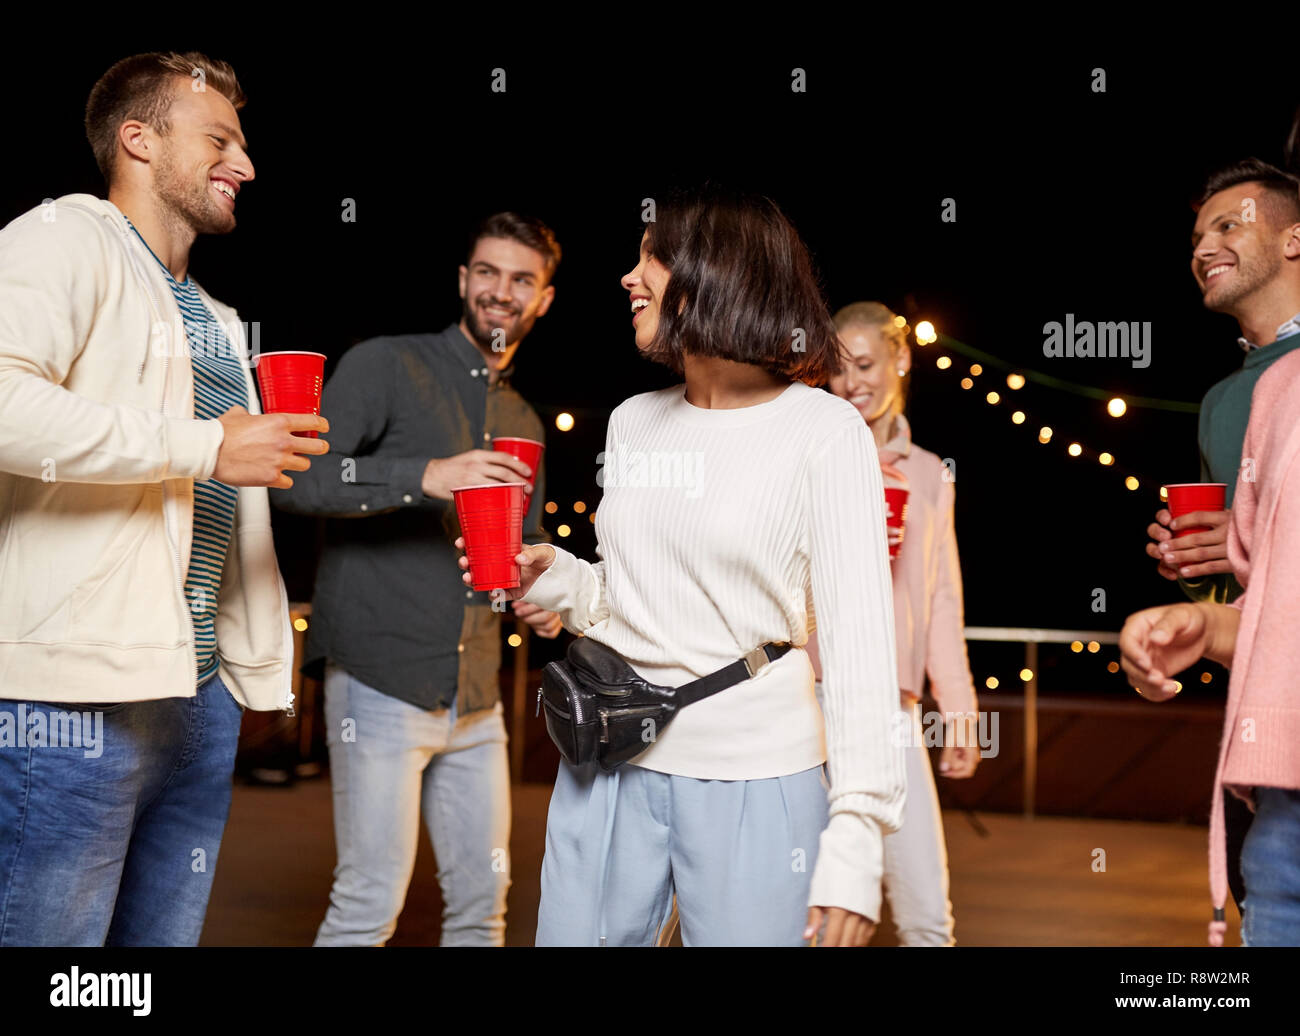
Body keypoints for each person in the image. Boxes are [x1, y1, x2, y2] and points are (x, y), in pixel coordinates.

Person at [461, 187, 907, 946]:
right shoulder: (636, 422)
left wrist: (857, 837)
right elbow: (631, 597)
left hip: (758, 780)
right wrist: (563, 579)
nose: (629, 279)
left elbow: (861, 642)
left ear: (712, 274)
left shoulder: (824, 432)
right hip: (607, 764)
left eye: (650, 262)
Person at [0, 51, 328, 946]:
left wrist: (255, 656)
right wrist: (206, 444)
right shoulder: (64, 235)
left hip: (195, 691)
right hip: (77, 695)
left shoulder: (218, 318)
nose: (248, 165)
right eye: (221, 140)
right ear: (138, 141)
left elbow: (215, 509)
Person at [275, 213, 563, 946]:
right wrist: (426, 475)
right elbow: (296, 481)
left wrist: (544, 600)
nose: (502, 291)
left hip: (475, 698)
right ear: (464, 281)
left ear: (543, 299)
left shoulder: (521, 417)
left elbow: (520, 552)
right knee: (369, 901)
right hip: (380, 680)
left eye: (521, 279)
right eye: (488, 272)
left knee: (482, 905)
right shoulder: (386, 364)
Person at [1143, 158, 1300, 916]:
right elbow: (1232, 588)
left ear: (1296, 238)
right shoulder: (1224, 400)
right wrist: (1191, 568)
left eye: (1229, 224)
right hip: (1263, 727)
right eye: (1198, 234)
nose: (1204, 245)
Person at [805, 301, 979, 946]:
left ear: (901, 359)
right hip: (810, 698)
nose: (852, 384)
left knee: (928, 915)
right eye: (838, 369)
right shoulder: (812, 458)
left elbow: (940, 599)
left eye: (867, 364)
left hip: (894, 710)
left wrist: (957, 708)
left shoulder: (931, 474)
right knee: (815, 903)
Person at [1121, 345, 1300, 947]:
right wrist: (1207, 625)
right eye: (1195, 239)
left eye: (1220, 237)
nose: (1205, 248)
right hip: (1282, 800)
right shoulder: (1274, 390)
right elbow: (1275, 600)